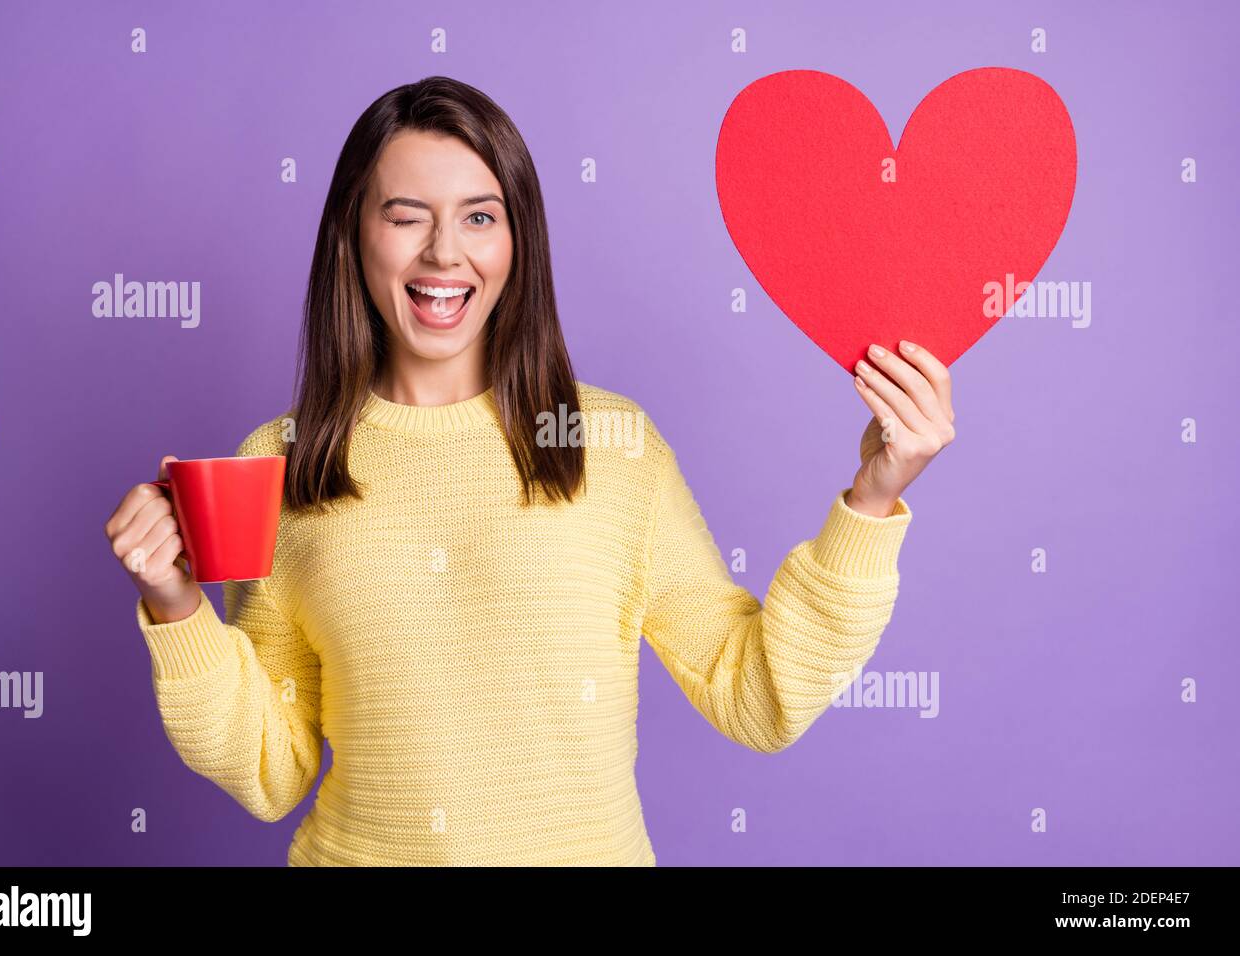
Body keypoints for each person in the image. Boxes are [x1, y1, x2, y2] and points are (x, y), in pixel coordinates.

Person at [102, 75, 955, 866]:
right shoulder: (281, 463)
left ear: (518, 239)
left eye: (480, 216)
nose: (445, 253)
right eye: (405, 215)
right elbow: (271, 767)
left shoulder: (611, 445)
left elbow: (758, 696)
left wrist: (872, 498)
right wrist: (175, 608)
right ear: (352, 235)